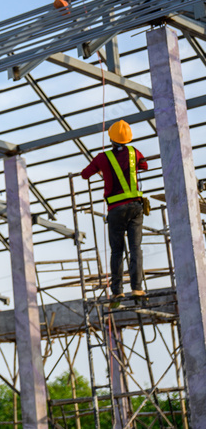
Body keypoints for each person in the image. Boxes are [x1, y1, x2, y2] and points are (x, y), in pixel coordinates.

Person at [81, 121, 149, 300]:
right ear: (128, 138)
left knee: (117, 251)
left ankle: (118, 291)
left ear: (111, 138)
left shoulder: (102, 158)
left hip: (116, 209)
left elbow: (84, 174)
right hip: (135, 207)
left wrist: (101, 170)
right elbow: (144, 166)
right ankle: (137, 288)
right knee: (135, 248)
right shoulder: (135, 152)